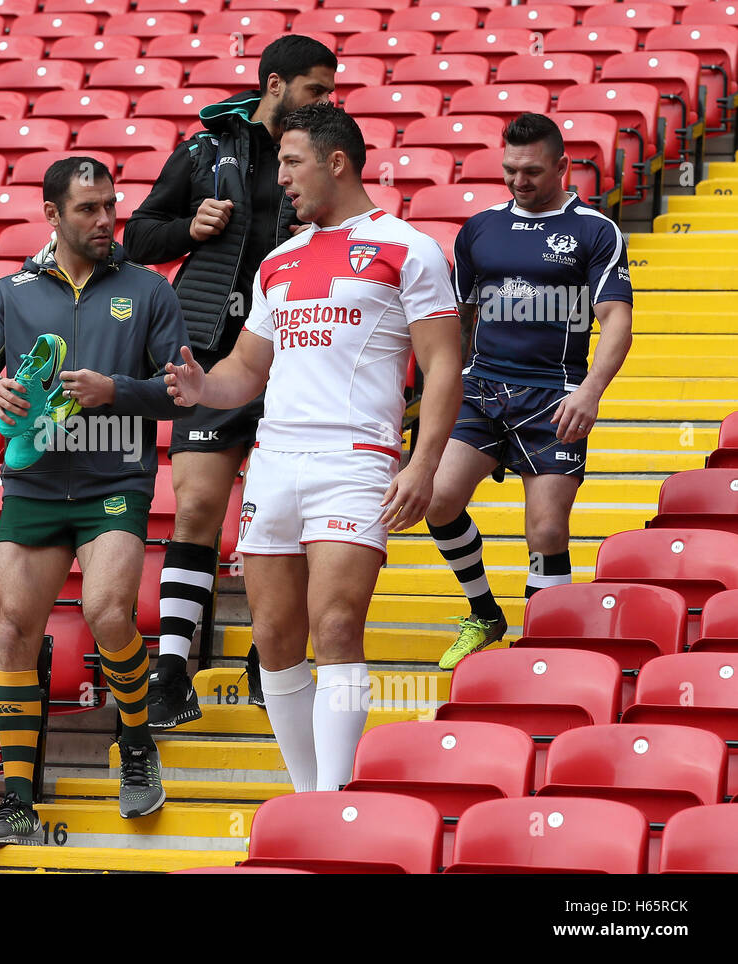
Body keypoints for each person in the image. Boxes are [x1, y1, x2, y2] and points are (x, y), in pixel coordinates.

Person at [164, 103, 463, 792]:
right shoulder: (279, 261)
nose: (283, 178)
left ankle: (333, 793)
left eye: (293, 161)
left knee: (335, 626)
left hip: (355, 461)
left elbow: (444, 365)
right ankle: (306, 795)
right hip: (274, 461)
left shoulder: (406, 248)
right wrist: (200, 386)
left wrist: (423, 463)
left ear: (337, 161)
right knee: (272, 639)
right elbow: (247, 370)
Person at [0, 157, 188, 845]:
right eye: (88, 209)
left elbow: (178, 388)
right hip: (35, 484)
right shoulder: (14, 292)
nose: (106, 220)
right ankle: (18, 802)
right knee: (13, 630)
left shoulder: (148, 290)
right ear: (52, 215)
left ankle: (137, 745)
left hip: (115, 481)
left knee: (109, 611)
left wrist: (118, 391)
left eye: (110, 205)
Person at [123, 34, 338, 727]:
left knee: (289, 514)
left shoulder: (323, 156)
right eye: (315, 90)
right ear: (275, 85)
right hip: (214, 352)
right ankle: (172, 671)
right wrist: (191, 225)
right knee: (195, 509)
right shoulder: (205, 149)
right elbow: (139, 238)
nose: (325, 102)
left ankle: (266, 653)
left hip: (298, 356)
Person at [427, 113, 634, 671]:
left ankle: (543, 651)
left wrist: (591, 391)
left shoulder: (595, 230)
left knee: (545, 528)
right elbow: (457, 318)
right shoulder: (479, 229)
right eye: (510, 170)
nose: (520, 181)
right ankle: (484, 612)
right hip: (483, 389)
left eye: (533, 171)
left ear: (564, 166)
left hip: (555, 396)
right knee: (439, 499)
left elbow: (616, 320)